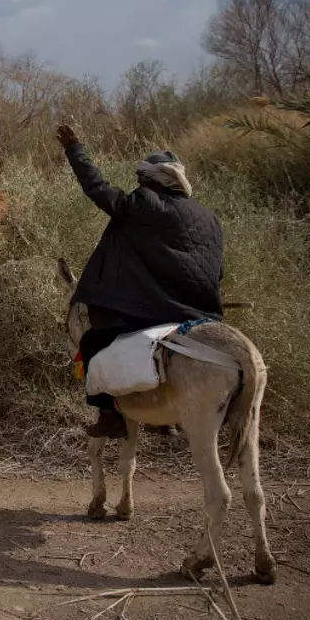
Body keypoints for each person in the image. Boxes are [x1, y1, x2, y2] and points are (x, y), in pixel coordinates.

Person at [56, 124, 225, 439]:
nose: (137, 184)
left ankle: (110, 416)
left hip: (154, 309)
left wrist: (74, 150)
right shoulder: (209, 217)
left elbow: (97, 189)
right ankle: (168, 418)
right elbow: (218, 271)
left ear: (153, 183)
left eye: (141, 180)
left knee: (94, 341)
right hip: (201, 312)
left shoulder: (145, 203)